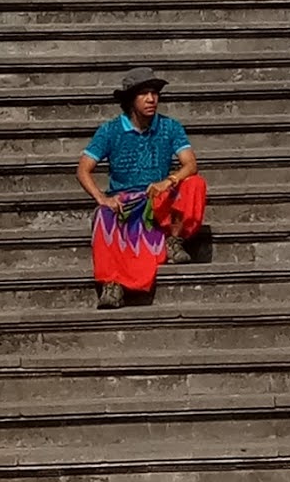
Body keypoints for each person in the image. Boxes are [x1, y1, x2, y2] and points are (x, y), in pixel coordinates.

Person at [76, 67, 208, 309]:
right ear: (130, 100)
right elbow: (83, 169)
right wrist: (102, 198)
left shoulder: (170, 127)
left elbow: (190, 164)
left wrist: (169, 181)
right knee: (104, 215)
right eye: (144, 94)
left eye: (154, 93)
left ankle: (174, 240)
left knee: (195, 184)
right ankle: (112, 284)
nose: (151, 99)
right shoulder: (110, 130)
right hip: (126, 203)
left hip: (157, 196)